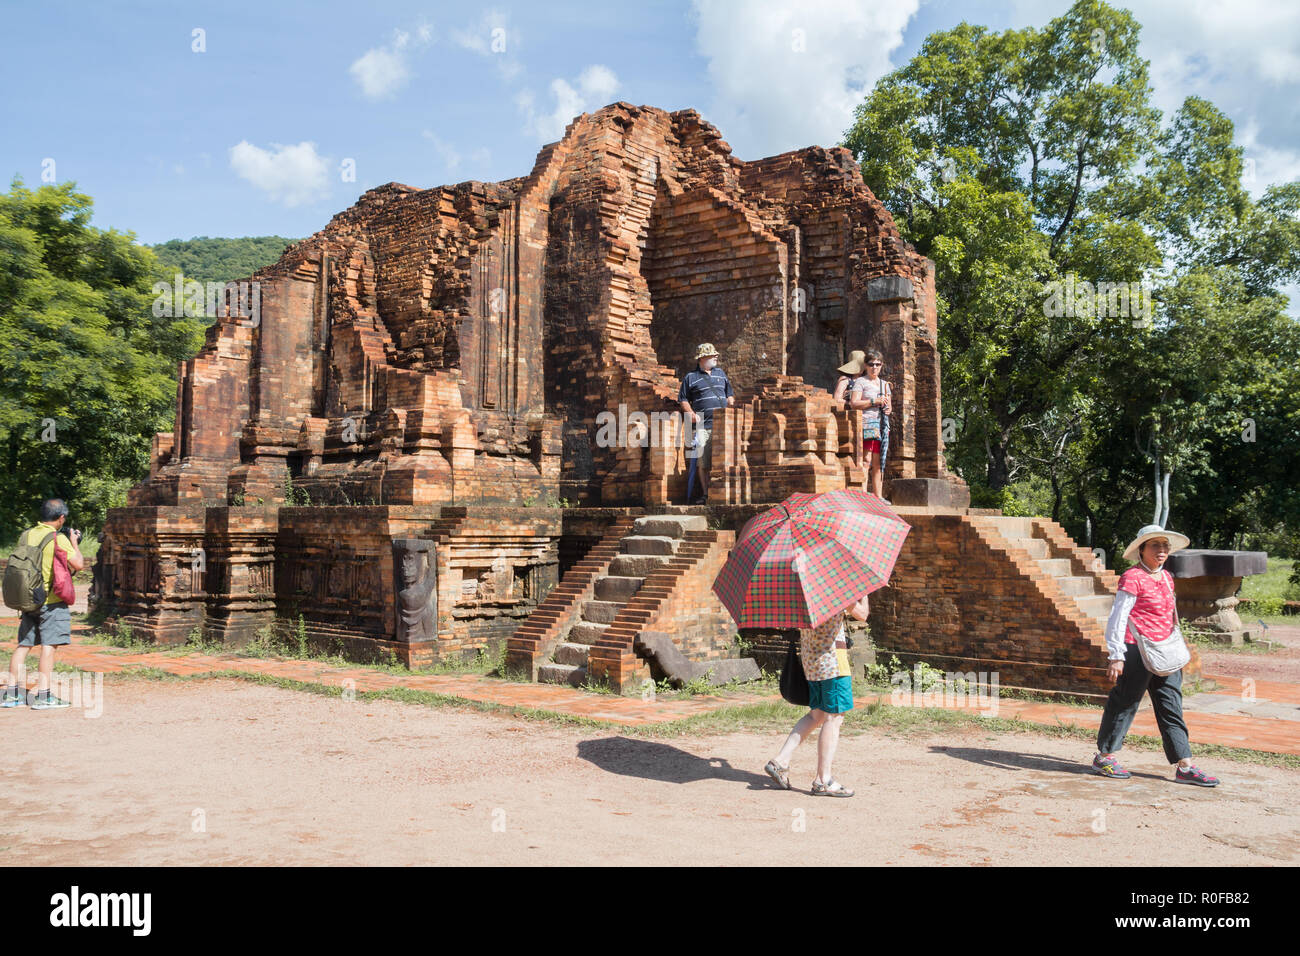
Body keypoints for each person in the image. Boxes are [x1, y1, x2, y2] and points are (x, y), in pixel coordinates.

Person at [1091, 525, 1219, 787]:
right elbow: (1119, 616)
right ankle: (1104, 756)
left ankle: (1185, 765)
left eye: (1165, 546)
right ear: (1142, 550)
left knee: (1171, 706)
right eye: (1155, 546)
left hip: (1166, 651)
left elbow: (1168, 615)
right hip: (1136, 649)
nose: (1161, 550)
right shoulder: (1132, 577)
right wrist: (1116, 654)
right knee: (1125, 702)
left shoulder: (1167, 577)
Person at [764, 592, 869, 797]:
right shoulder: (837, 591)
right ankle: (823, 780)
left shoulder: (802, 592)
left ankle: (780, 761)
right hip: (832, 661)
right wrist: (864, 594)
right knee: (834, 717)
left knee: (817, 715)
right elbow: (862, 614)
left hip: (811, 660)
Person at [3, 499, 85, 710]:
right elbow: (78, 564)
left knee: (24, 645)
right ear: (61, 518)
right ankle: (44, 695)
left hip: (28, 599)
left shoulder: (27, 534)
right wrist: (74, 542)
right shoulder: (57, 538)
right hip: (51, 602)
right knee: (49, 647)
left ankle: (11, 694)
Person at [678, 342, 735, 504]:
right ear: (702, 358)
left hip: (724, 426)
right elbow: (683, 399)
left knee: (725, 460)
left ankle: (724, 493)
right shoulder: (691, 377)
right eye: (712, 355)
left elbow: (729, 394)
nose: (716, 357)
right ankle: (706, 494)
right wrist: (691, 414)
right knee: (704, 462)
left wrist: (731, 403)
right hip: (703, 426)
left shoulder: (721, 374)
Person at [835, 350, 891, 499]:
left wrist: (887, 407)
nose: (874, 367)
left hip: (881, 426)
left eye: (878, 364)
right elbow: (853, 403)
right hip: (866, 424)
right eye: (871, 364)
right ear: (865, 365)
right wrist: (873, 402)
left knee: (879, 463)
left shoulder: (885, 385)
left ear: (882, 365)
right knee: (866, 461)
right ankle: (864, 497)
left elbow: (889, 407)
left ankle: (878, 497)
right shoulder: (858, 382)